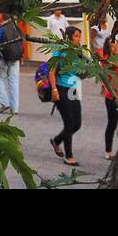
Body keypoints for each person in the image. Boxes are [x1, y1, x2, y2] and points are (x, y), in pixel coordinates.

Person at [49, 26, 85, 166]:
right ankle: (69, 156)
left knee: (77, 124)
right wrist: (54, 90)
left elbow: (80, 74)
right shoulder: (60, 51)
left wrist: (90, 70)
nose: (78, 39)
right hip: (61, 89)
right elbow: (52, 72)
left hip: (73, 89)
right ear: (69, 37)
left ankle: (57, 140)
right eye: (76, 36)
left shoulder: (78, 52)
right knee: (69, 123)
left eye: (79, 36)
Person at [0, 16, 23, 116]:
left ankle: (4, 103)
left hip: (3, 58)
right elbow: (20, 43)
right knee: (14, 81)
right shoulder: (15, 28)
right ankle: (15, 109)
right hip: (15, 58)